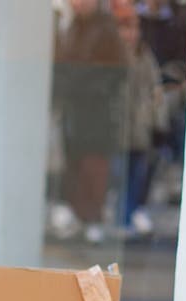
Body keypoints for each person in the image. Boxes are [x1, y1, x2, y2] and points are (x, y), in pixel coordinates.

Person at [55, 0, 128, 244]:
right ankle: (80, 215)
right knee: (75, 163)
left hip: (96, 111)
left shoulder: (105, 29)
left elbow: (116, 71)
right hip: (76, 108)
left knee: (93, 167)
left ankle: (92, 218)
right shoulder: (74, 26)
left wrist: (89, 88)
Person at [114, 3, 169, 235]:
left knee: (137, 171)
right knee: (119, 173)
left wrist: (156, 117)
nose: (130, 34)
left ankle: (132, 212)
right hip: (117, 126)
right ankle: (122, 216)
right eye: (125, 28)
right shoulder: (113, 54)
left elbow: (155, 88)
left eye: (133, 28)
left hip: (140, 125)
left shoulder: (144, 56)